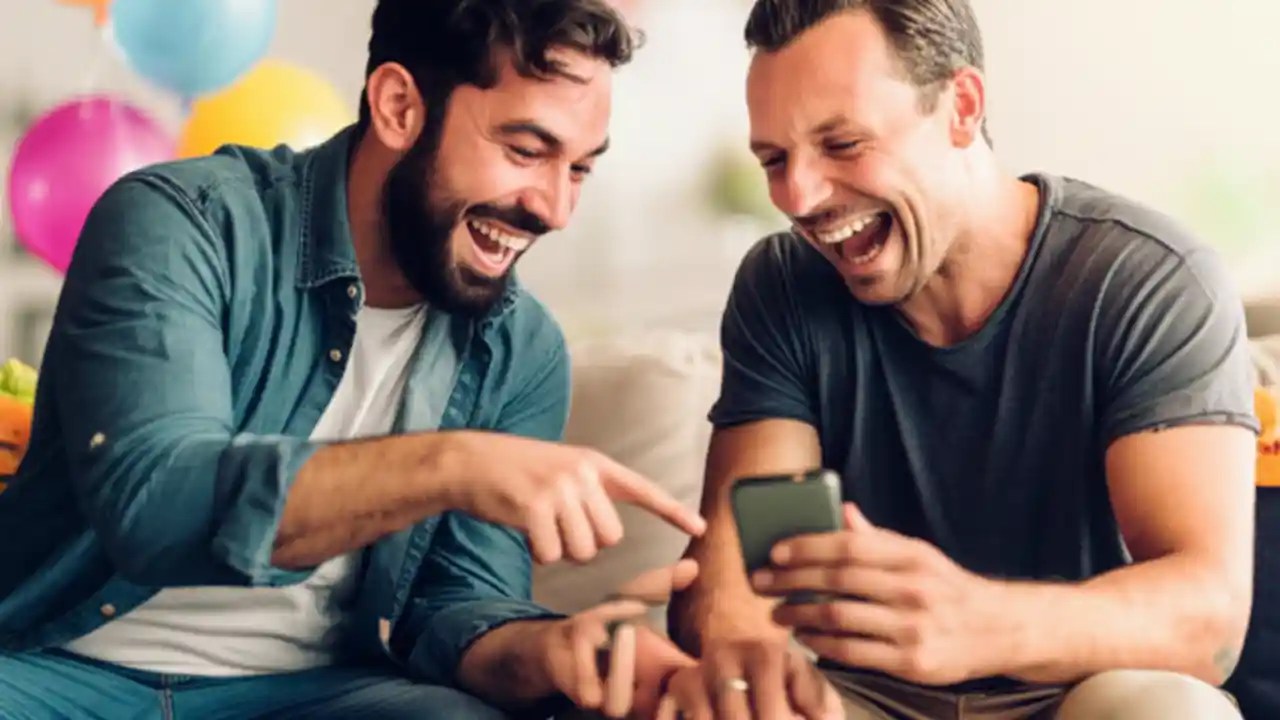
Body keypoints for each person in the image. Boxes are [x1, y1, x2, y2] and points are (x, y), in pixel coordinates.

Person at [0, 1, 707, 718]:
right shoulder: (183, 224)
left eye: (580, 168)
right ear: (399, 106)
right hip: (62, 668)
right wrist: (451, 466)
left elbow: (457, 607)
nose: (555, 208)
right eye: (525, 152)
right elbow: (157, 506)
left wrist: (557, 651)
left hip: (314, 692)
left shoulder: (519, 348)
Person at [665, 1, 1259, 718]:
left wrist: (976, 622)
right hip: (863, 698)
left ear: (961, 107)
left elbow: (1209, 620)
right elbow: (749, 561)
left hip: (1082, 687)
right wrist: (741, 656)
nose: (798, 196)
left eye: (843, 144)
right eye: (774, 160)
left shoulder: (1144, 282)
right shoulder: (788, 287)